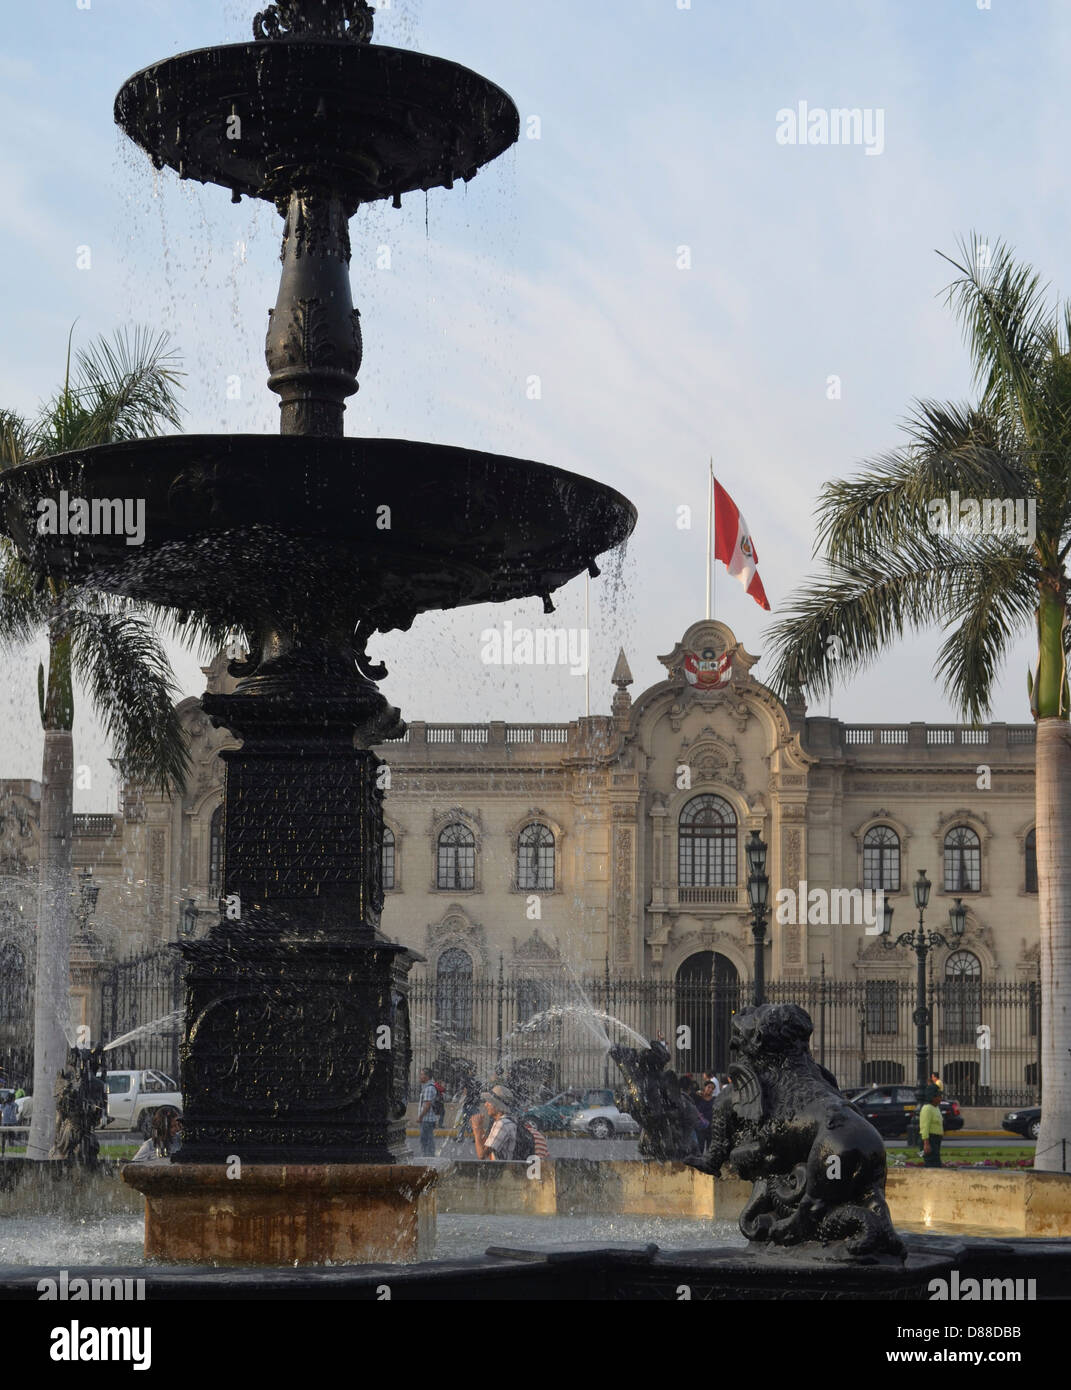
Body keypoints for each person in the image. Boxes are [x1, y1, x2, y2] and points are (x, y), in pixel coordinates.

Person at [471, 1084, 518, 1160]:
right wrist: (481, 1129)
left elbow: (482, 1155)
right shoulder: (510, 1121)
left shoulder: (502, 1124)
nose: (486, 1105)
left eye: (489, 1102)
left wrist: (477, 1130)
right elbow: (488, 1148)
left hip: (503, 1169)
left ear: (497, 1105)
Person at [919, 1085, 944, 1167]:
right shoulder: (927, 1108)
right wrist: (926, 1143)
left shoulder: (936, 1108)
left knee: (936, 1162)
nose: (941, 1098)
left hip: (936, 1140)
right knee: (932, 1163)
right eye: (939, 1096)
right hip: (930, 1139)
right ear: (932, 1097)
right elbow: (925, 1127)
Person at [417, 1067, 438, 1157]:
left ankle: (428, 1158)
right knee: (428, 1140)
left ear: (427, 1076)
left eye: (422, 1074)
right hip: (428, 1119)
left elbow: (427, 1105)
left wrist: (420, 1117)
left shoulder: (429, 1089)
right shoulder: (428, 1087)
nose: (420, 1076)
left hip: (427, 1119)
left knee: (426, 1141)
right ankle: (429, 1157)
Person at [694, 1081, 716, 1153]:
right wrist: (697, 1093)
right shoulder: (698, 1098)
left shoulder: (715, 1100)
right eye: (708, 1087)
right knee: (700, 1146)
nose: (710, 1089)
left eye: (712, 1088)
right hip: (700, 1127)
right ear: (704, 1087)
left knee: (710, 1149)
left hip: (711, 1127)